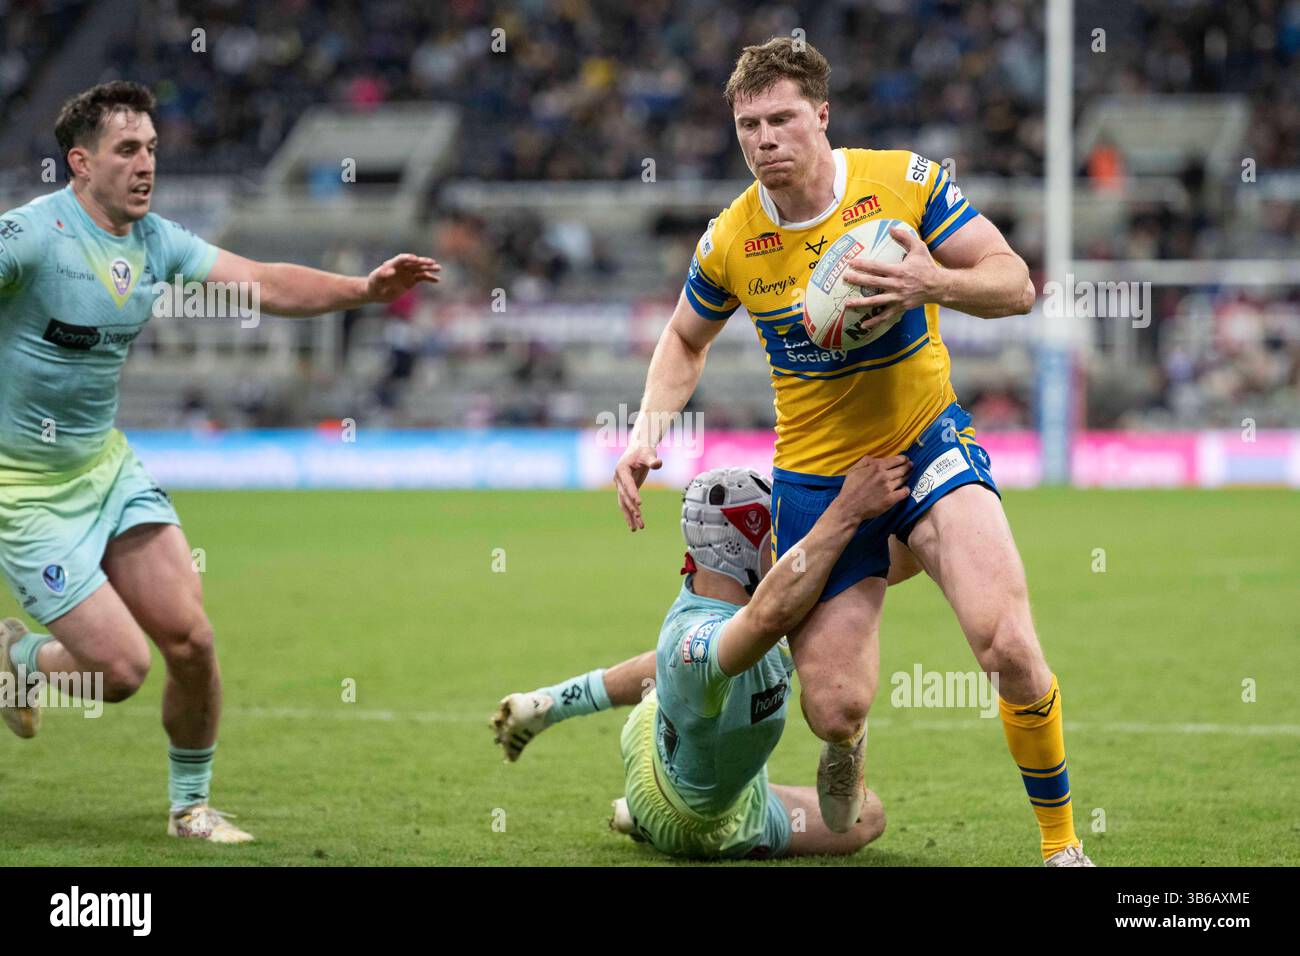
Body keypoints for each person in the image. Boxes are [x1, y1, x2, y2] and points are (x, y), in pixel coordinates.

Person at [611, 38, 1092, 866]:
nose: (764, 139)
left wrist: (929, 282)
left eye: (782, 120)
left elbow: (1015, 282)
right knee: (832, 709)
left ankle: (1061, 848)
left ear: (822, 117)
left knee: (1007, 644)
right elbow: (684, 340)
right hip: (817, 480)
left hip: (927, 441)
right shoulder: (732, 238)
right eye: (748, 124)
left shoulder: (903, 184)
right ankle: (849, 743)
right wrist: (645, 434)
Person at [0, 81, 441, 843]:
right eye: (127, 151)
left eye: (152, 151)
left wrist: (364, 291)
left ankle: (189, 809)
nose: (146, 166)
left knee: (193, 642)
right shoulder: (32, 238)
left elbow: (264, 282)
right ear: (80, 163)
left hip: (107, 470)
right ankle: (18, 657)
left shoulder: (156, 242)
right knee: (119, 673)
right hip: (24, 491)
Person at [493, 455, 910, 859]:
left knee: (682, 676)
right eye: (776, 531)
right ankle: (647, 821)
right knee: (867, 817)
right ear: (743, 543)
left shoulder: (718, 610)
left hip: (668, 742)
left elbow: (882, 565)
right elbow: (766, 619)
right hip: (699, 822)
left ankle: (548, 704)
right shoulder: (710, 634)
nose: (787, 542)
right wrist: (846, 512)